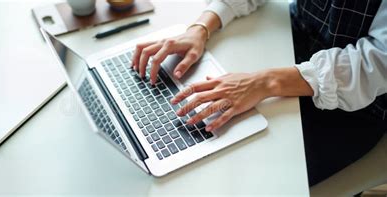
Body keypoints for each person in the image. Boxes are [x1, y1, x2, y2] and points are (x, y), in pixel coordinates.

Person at [131, 0, 387, 186]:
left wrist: (263, 82)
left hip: (355, 106)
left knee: (244, 178)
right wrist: (200, 28)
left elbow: (376, 63)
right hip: (293, 38)